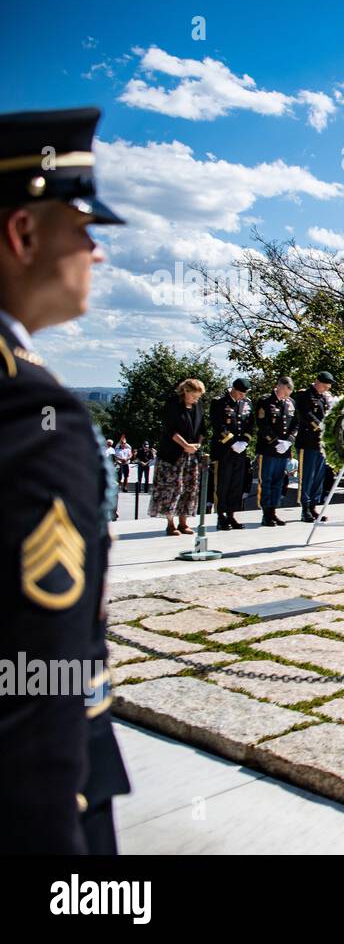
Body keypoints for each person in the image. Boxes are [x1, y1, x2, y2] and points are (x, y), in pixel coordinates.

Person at [0, 105, 131, 852]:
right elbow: (32, 681)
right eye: (82, 226)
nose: (96, 252)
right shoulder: (27, 407)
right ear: (23, 234)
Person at [150, 378, 207, 536]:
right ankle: (171, 523)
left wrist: (197, 444)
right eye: (194, 396)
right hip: (172, 455)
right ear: (186, 391)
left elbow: (202, 429)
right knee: (173, 489)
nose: (196, 399)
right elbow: (171, 430)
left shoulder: (198, 406)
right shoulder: (173, 404)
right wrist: (185, 446)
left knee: (190, 489)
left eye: (198, 397)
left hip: (191, 455)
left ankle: (184, 522)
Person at [210, 377, 255, 530]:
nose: (243, 396)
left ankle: (231, 515)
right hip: (224, 450)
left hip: (240, 451)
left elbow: (250, 425)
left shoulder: (247, 403)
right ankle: (221, 516)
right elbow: (218, 426)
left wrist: (244, 442)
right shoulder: (219, 402)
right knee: (223, 484)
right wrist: (232, 442)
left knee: (236, 484)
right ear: (234, 389)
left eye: (245, 393)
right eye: (241, 393)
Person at [256, 376, 297, 526]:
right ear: (279, 386)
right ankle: (266, 513)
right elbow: (262, 423)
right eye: (286, 392)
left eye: (289, 393)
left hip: (284, 449)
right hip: (268, 448)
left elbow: (295, 424)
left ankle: (273, 511)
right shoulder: (265, 401)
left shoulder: (291, 403)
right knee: (266, 481)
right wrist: (274, 441)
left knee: (278, 482)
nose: (287, 396)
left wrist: (289, 442)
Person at [294, 372, 334, 523]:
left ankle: (313, 507)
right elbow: (305, 414)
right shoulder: (304, 395)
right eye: (324, 385)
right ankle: (304, 509)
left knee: (318, 477)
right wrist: (320, 426)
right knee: (307, 477)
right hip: (307, 442)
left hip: (320, 444)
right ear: (317, 382)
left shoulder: (323, 398)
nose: (326, 389)